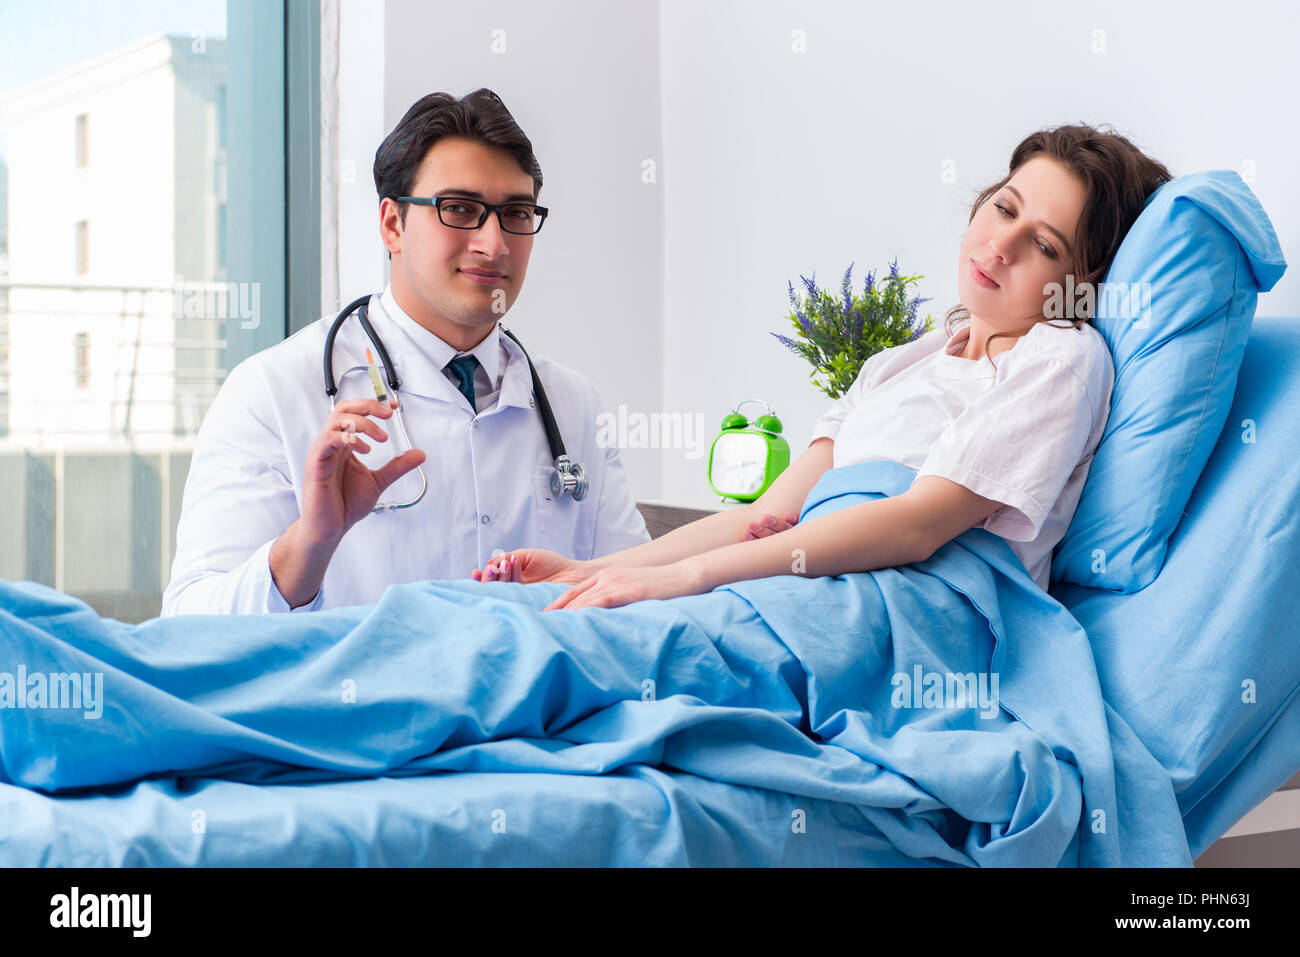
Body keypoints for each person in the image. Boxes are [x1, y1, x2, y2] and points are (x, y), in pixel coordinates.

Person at [473, 123, 1173, 604]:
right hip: (814, 587)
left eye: (1045, 246)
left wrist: (688, 580)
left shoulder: (1062, 358)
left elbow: (917, 524)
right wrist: (587, 571)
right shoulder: (900, 365)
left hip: (912, 613)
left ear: (1082, 282)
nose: (1002, 243)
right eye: (1004, 207)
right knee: (560, 619)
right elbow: (771, 516)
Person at [165, 88, 719, 615]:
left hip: (540, 714)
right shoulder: (273, 391)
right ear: (392, 223)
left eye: (516, 214)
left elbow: (634, 595)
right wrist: (308, 543)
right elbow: (189, 630)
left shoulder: (572, 405)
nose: (494, 243)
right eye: (459, 208)